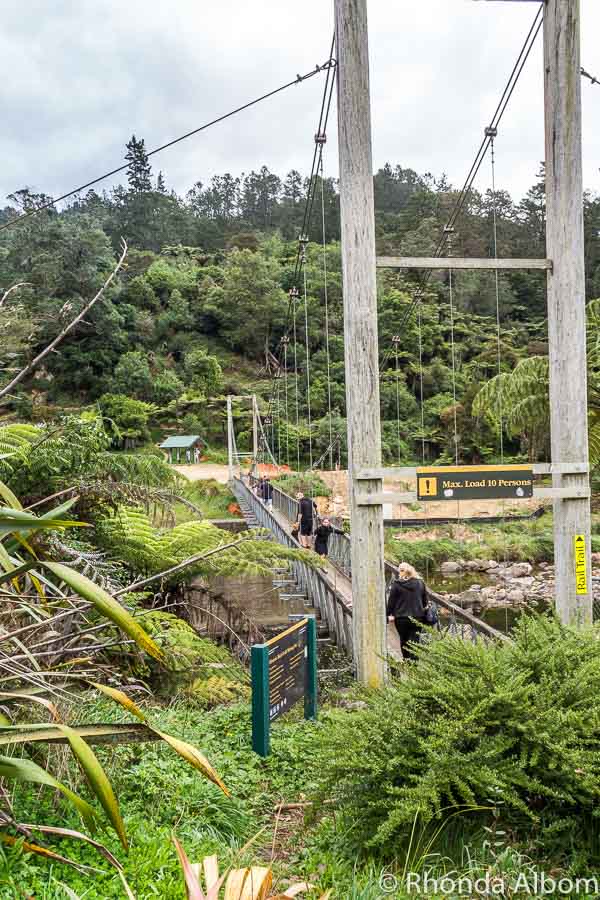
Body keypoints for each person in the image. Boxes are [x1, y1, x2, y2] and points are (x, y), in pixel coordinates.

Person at [386, 562, 428, 660]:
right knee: (415, 641)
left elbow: (391, 603)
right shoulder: (420, 583)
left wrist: (387, 616)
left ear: (400, 572)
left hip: (401, 618)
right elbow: (425, 602)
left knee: (404, 640)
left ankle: (407, 661)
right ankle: (415, 663)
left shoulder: (396, 584)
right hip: (417, 617)